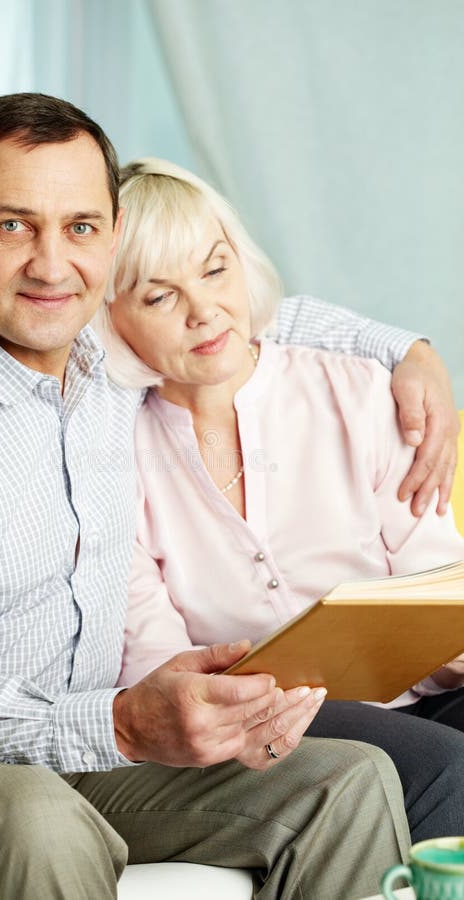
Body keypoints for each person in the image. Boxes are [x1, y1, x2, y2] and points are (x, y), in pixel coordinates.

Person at [0, 93, 455, 900]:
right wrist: (118, 722)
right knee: (37, 818)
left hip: (101, 752)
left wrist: (409, 352)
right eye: (12, 226)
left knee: (345, 782)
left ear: (110, 237)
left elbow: (252, 321)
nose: (50, 263)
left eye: (80, 227)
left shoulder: (108, 363)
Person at [97, 156, 464, 845]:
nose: (205, 311)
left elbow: (436, 576)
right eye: (158, 297)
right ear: (110, 317)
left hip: (423, 690)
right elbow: (154, 656)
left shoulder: (354, 389)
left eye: (215, 270)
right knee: (450, 770)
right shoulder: (113, 453)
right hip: (270, 718)